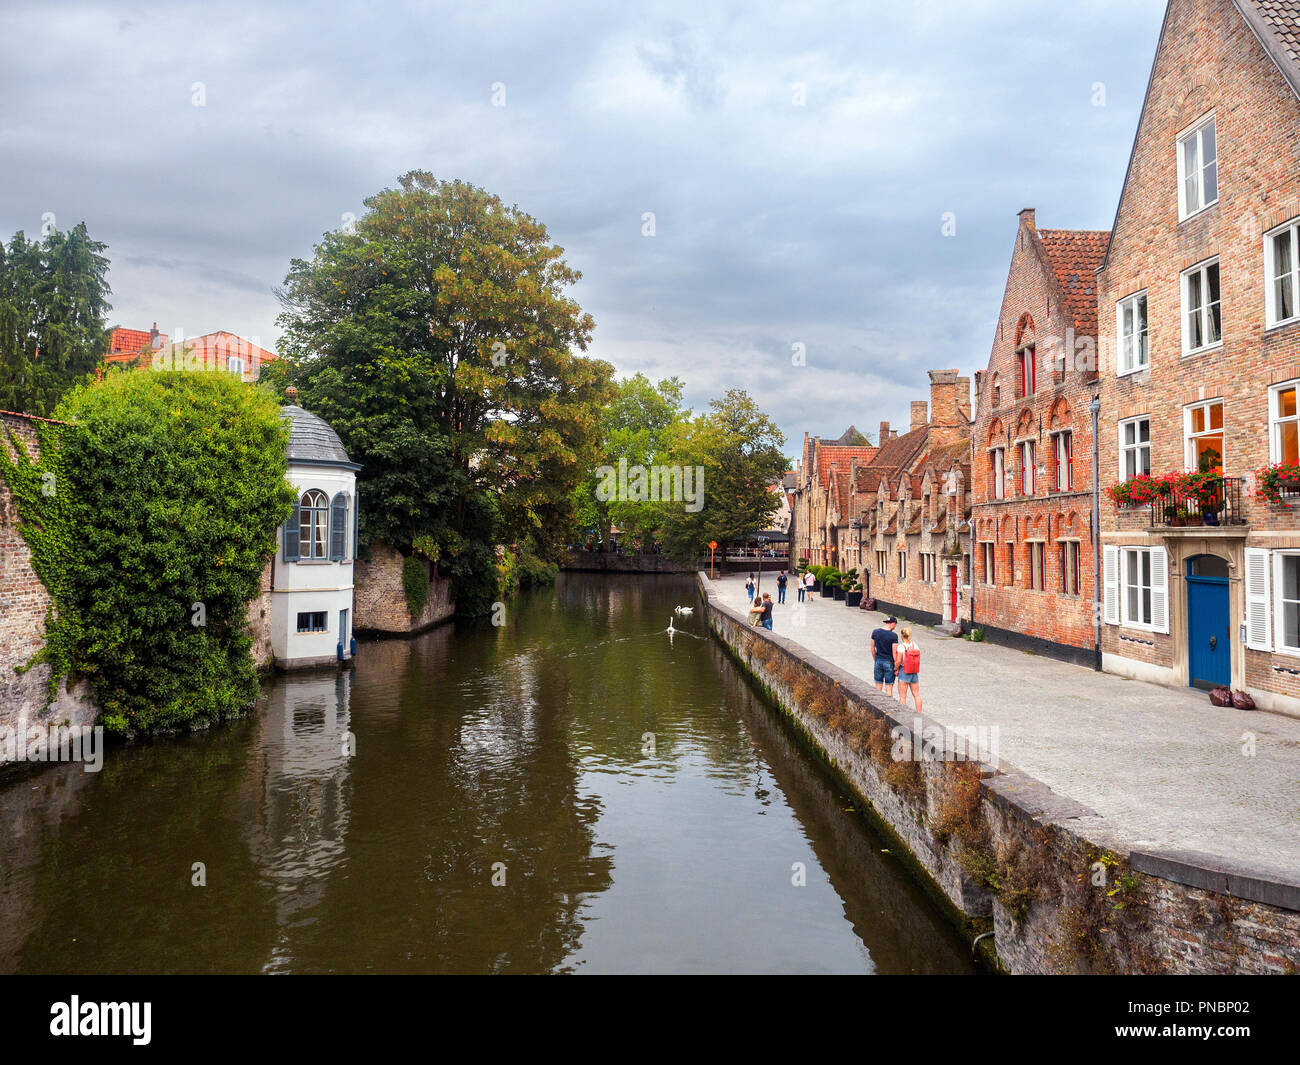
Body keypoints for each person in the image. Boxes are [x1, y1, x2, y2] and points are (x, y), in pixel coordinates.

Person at [870, 616, 899, 698]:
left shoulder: (875, 632)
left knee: (878, 687)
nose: (894, 628)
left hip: (878, 661)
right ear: (893, 624)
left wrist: (876, 660)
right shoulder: (893, 636)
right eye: (895, 625)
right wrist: (896, 667)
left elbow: (872, 649)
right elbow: (894, 653)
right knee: (889, 688)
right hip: (889, 662)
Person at [895, 626, 922, 711]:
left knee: (902, 696)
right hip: (914, 671)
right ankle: (920, 713)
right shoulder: (915, 645)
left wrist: (895, 668)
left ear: (902, 635)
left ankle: (903, 714)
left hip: (904, 671)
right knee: (916, 694)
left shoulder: (901, 647)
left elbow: (899, 661)